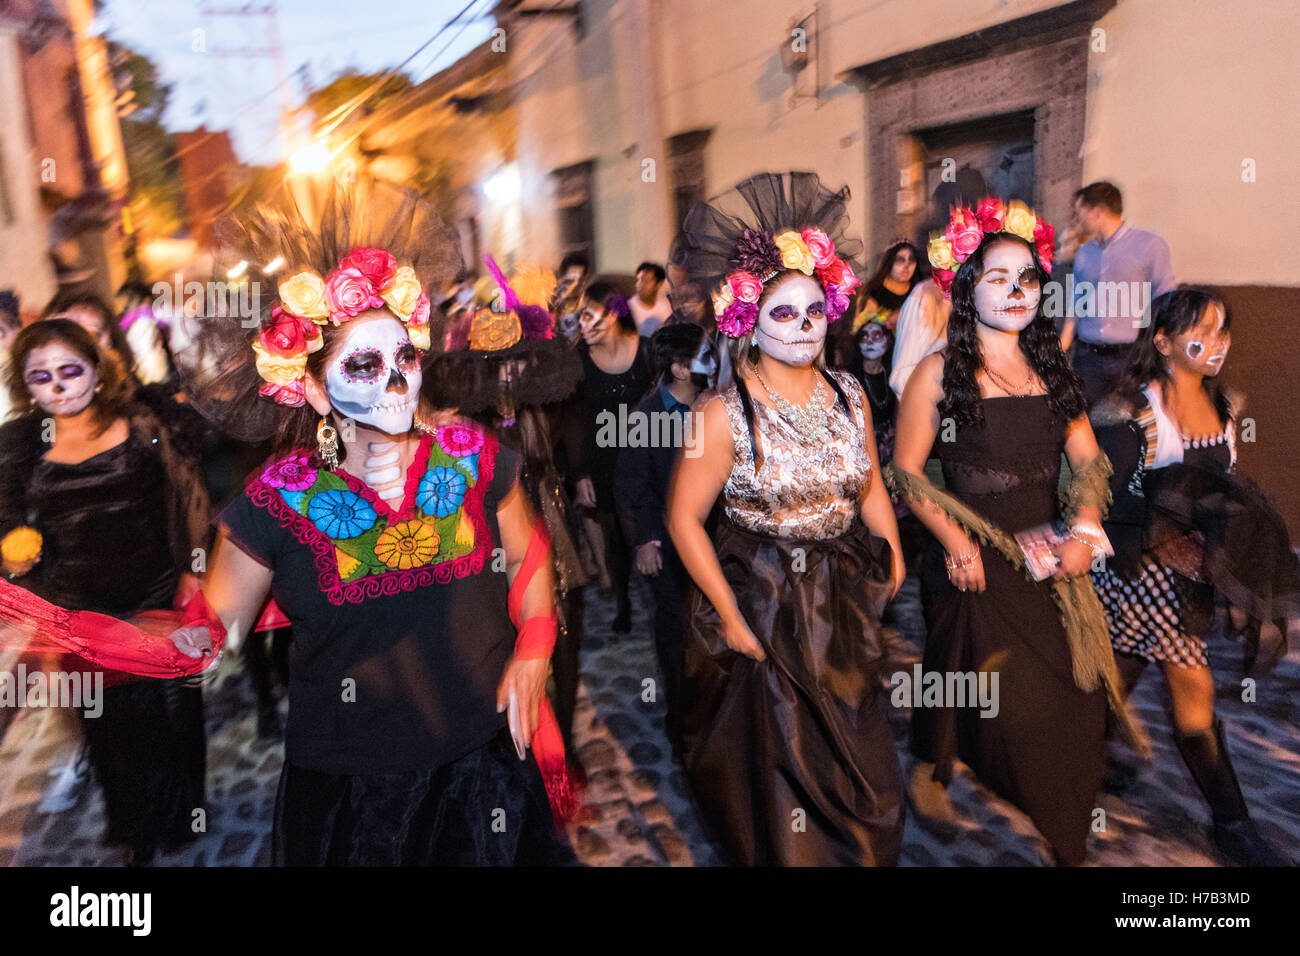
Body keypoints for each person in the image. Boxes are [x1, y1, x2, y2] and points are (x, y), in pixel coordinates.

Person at [168, 181, 576, 865]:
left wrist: (534, 651)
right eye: (364, 364)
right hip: (355, 796)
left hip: (484, 767)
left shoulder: (471, 456)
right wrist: (110, 632)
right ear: (318, 389)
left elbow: (532, 561)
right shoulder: (277, 499)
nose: (396, 381)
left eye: (404, 358)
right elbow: (218, 634)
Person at [890, 197, 1141, 865]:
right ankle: (928, 767)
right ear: (969, 286)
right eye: (997, 276)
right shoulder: (937, 371)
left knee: (1071, 693)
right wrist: (954, 541)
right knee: (957, 674)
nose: (1014, 290)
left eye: (1026, 278)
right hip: (965, 552)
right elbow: (908, 472)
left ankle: (1064, 824)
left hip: (1043, 555)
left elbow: (1087, 458)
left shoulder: (1056, 372)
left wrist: (1085, 524)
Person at [667, 171, 906, 865]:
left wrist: (890, 561)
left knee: (868, 778)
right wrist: (731, 619)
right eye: (783, 314)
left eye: (813, 311)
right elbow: (684, 521)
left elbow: (871, 489)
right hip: (768, 604)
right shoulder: (720, 413)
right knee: (784, 779)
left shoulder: (852, 394)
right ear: (749, 322)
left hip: (846, 605)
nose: (803, 327)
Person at [1089, 288, 1297, 866]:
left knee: (1114, 681)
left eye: (1224, 330)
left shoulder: (1226, 405)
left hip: (1189, 583)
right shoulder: (1131, 413)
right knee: (1193, 691)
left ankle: (1089, 762)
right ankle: (1232, 826)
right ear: (1162, 341)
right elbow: (1105, 502)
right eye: (1204, 330)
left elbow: (1225, 492)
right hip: (1135, 580)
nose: (1220, 343)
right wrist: (1165, 540)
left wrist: (1224, 545)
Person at [0, 319, 211, 865]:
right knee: (108, 725)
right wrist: (13, 553)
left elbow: (186, 494)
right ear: (26, 385)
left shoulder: (141, 421)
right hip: (77, 608)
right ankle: (134, 827)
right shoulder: (20, 443)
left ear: (96, 370)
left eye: (71, 370)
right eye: (41, 377)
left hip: (155, 591)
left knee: (173, 715)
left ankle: (182, 816)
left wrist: (193, 572)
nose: (59, 386)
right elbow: (5, 520)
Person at [614, 322, 705, 756]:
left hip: (717, 541)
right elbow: (632, 488)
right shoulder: (644, 417)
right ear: (679, 367)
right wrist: (645, 540)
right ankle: (681, 718)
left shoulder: (718, 408)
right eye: (698, 356)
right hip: (667, 544)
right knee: (675, 630)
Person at [570, 279, 655, 634]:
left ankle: (658, 605)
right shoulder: (579, 360)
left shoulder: (649, 351)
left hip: (646, 463)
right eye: (581, 317)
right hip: (603, 464)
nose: (584, 325)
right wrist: (580, 474)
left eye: (592, 316)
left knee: (649, 533)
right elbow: (575, 423)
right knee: (615, 540)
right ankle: (624, 604)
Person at [1062, 181, 1177, 405]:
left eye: (1079, 213)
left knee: (1131, 423)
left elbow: (1165, 297)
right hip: (1088, 357)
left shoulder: (1150, 245)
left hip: (1131, 357)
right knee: (1083, 420)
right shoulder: (1084, 252)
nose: (1076, 221)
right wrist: (1062, 344)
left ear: (1097, 211)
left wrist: (1157, 350)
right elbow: (1076, 302)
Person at [852, 240, 921, 332]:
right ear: (890, 262)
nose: (906, 265)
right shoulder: (873, 290)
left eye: (912, 260)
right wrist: (889, 321)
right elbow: (861, 328)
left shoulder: (919, 290)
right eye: (900, 260)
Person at [552, 252, 590, 343]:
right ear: (561, 280)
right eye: (570, 281)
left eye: (580, 281)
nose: (575, 286)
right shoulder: (551, 305)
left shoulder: (588, 307)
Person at [628, 261, 672, 336]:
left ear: (659, 284)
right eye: (638, 280)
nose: (640, 285)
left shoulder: (665, 308)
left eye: (646, 281)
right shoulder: (629, 307)